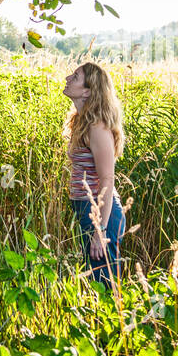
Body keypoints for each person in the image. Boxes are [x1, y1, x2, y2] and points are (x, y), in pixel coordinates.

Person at [63, 60, 126, 285]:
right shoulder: (81, 122)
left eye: (76, 77)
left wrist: (100, 229)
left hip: (101, 214)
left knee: (104, 287)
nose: (68, 79)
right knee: (94, 285)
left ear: (88, 91)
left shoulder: (97, 127)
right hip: (85, 209)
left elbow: (107, 179)